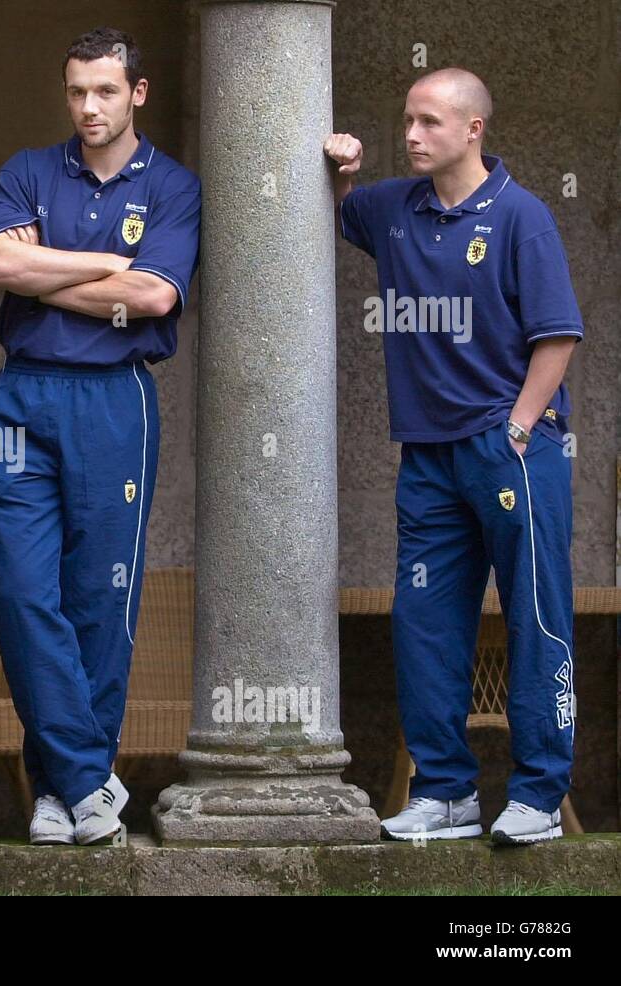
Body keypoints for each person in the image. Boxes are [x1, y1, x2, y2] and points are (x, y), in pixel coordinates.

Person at [326, 67, 583, 845]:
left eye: (430, 122)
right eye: (407, 120)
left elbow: (558, 336)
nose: (411, 135)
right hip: (428, 457)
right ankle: (445, 793)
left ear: (473, 129)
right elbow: (343, 212)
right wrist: (341, 166)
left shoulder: (521, 217)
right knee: (426, 621)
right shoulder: (392, 207)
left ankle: (538, 795)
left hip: (512, 450)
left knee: (535, 618)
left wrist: (518, 426)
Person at [0, 27, 200, 845]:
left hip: (116, 400)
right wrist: (103, 265)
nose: (89, 107)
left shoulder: (173, 186)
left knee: (100, 600)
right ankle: (82, 779)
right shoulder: (29, 169)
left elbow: (151, 298)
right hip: (20, 398)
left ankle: (61, 792)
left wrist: (52, 269)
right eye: (77, 91)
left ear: (136, 92)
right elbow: (0, 269)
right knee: (22, 599)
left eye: (106, 90)